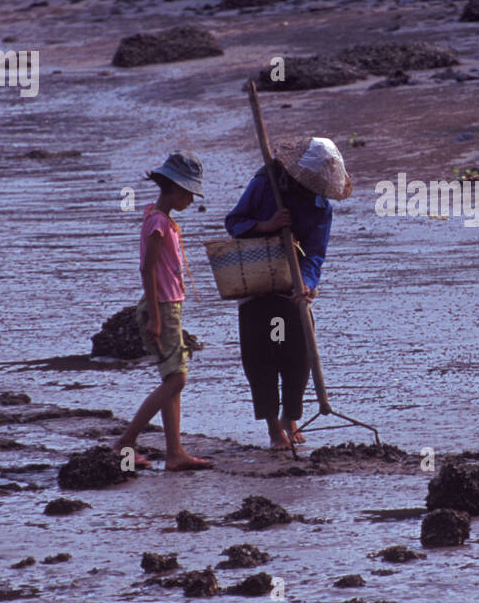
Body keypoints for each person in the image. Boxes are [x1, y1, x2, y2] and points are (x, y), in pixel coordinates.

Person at [226, 136, 352, 450]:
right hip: (257, 284)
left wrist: (307, 283)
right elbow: (234, 222)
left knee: (298, 356)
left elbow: (315, 254)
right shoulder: (265, 184)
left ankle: (290, 418)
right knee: (263, 357)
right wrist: (266, 225)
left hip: (292, 289)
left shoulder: (321, 206)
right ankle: (273, 429)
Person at [114, 151, 211, 471]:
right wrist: (156, 317)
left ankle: (174, 453)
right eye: (188, 194)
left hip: (169, 307)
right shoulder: (157, 222)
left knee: (173, 378)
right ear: (176, 189)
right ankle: (126, 440)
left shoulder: (160, 220)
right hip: (163, 308)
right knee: (177, 381)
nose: (190, 201)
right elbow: (147, 270)